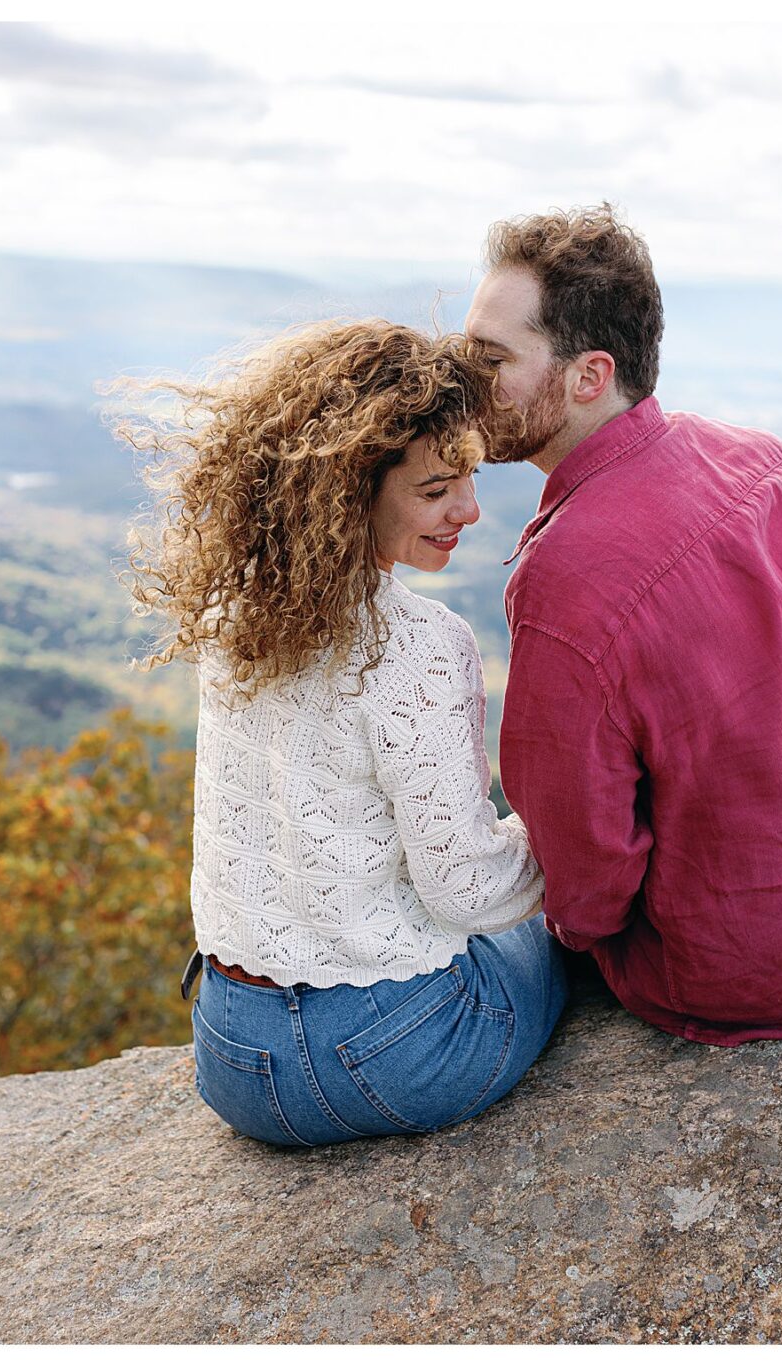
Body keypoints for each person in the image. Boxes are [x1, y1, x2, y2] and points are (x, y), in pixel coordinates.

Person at [463, 206, 782, 1044]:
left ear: (588, 375)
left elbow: (586, 882)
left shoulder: (568, 577)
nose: (463, 378)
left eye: (491, 358)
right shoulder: (762, 460)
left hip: (750, 971)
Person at [123, 320, 567, 1146]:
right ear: (348, 493)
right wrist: (568, 830)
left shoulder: (233, 615)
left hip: (232, 1056)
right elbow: (468, 891)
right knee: (566, 930)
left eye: (468, 477)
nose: (469, 510)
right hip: (395, 1054)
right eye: (437, 490)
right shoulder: (419, 648)